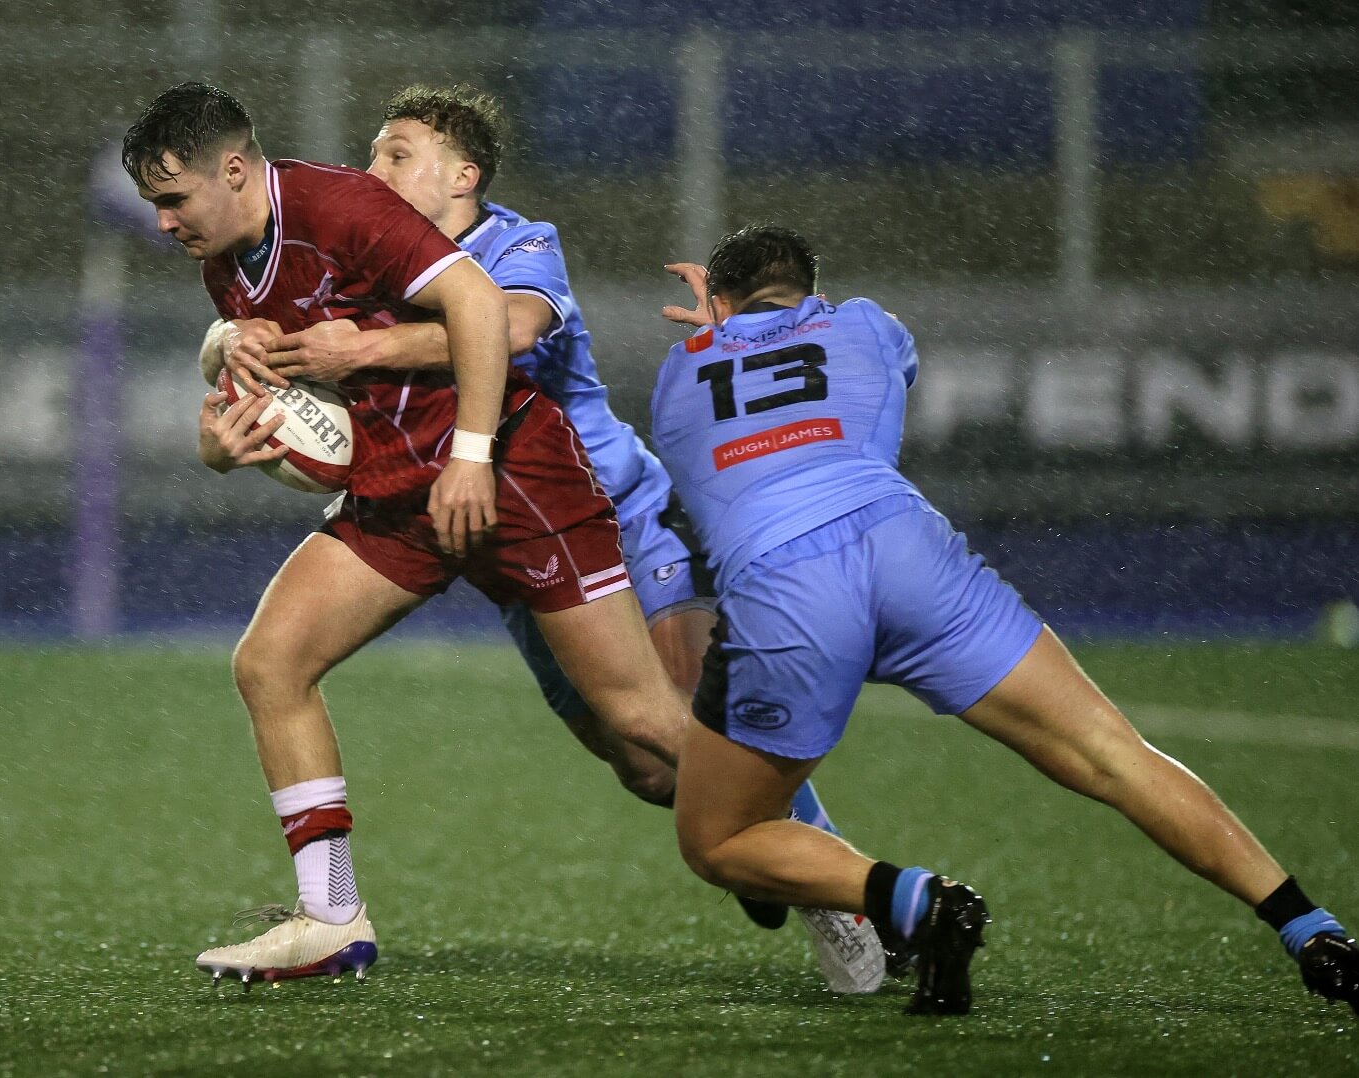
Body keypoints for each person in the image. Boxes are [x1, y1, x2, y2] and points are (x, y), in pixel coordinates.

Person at [204, 84, 891, 992]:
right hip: (468, 523)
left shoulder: (517, 244)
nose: (374, 170)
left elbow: (509, 325)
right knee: (641, 768)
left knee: (665, 724)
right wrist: (225, 375)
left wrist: (355, 351)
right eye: (372, 154)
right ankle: (768, 853)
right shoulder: (368, 255)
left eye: (396, 153)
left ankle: (839, 883)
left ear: (463, 173)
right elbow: (289, 354)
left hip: (611, 511)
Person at [650, 223, 1359, 1016]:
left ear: (717, 298)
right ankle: (1313, 929)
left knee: (719, 838)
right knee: (1115, 755)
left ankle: (919, 901)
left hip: (790, 583)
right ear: (816, 286)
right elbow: (851, 364)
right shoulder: (864, 323)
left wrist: (723, 335)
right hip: (911, 555)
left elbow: (721, 429)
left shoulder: (678, 379)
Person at [123, 81, 699, 988]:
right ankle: (332, 914)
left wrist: (469, 454)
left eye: (172, 199)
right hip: (402, 495)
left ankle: (842, 879)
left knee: (647, 731)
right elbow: (301, 403)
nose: (162, 222)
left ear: (233, 169)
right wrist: (224, 442)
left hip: (511, 471)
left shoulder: (343, 207)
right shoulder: (230, 256)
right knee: (271, 663)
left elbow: (481, 311)